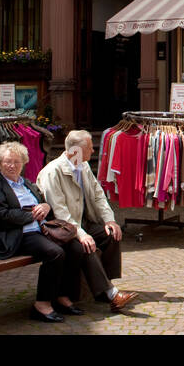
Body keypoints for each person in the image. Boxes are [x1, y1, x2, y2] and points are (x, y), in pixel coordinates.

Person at [0, 141, 84, 323]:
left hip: (39, 231)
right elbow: (0, 214)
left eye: (16, 161)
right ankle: (42, 304)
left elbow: (44, 205)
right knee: (55, 253)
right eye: (7, 162)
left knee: (75, 247)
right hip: (15, 236)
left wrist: (44, 206)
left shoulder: (26, 183)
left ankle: (62, 296)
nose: (12, 165)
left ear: (23, 163)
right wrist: (31, 215)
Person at [36, 130, 138, 312]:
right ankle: (111, 293)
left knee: (111, 235)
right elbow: (60, 213)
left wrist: (110, 220)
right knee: (86, 246)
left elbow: (98, 196)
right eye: (90, 148)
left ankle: (104, 287)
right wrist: (81, 234)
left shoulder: (82, 166)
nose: (93, 151)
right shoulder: (52, 172)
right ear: (76, 150)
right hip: (62, 228)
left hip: (83, 221)